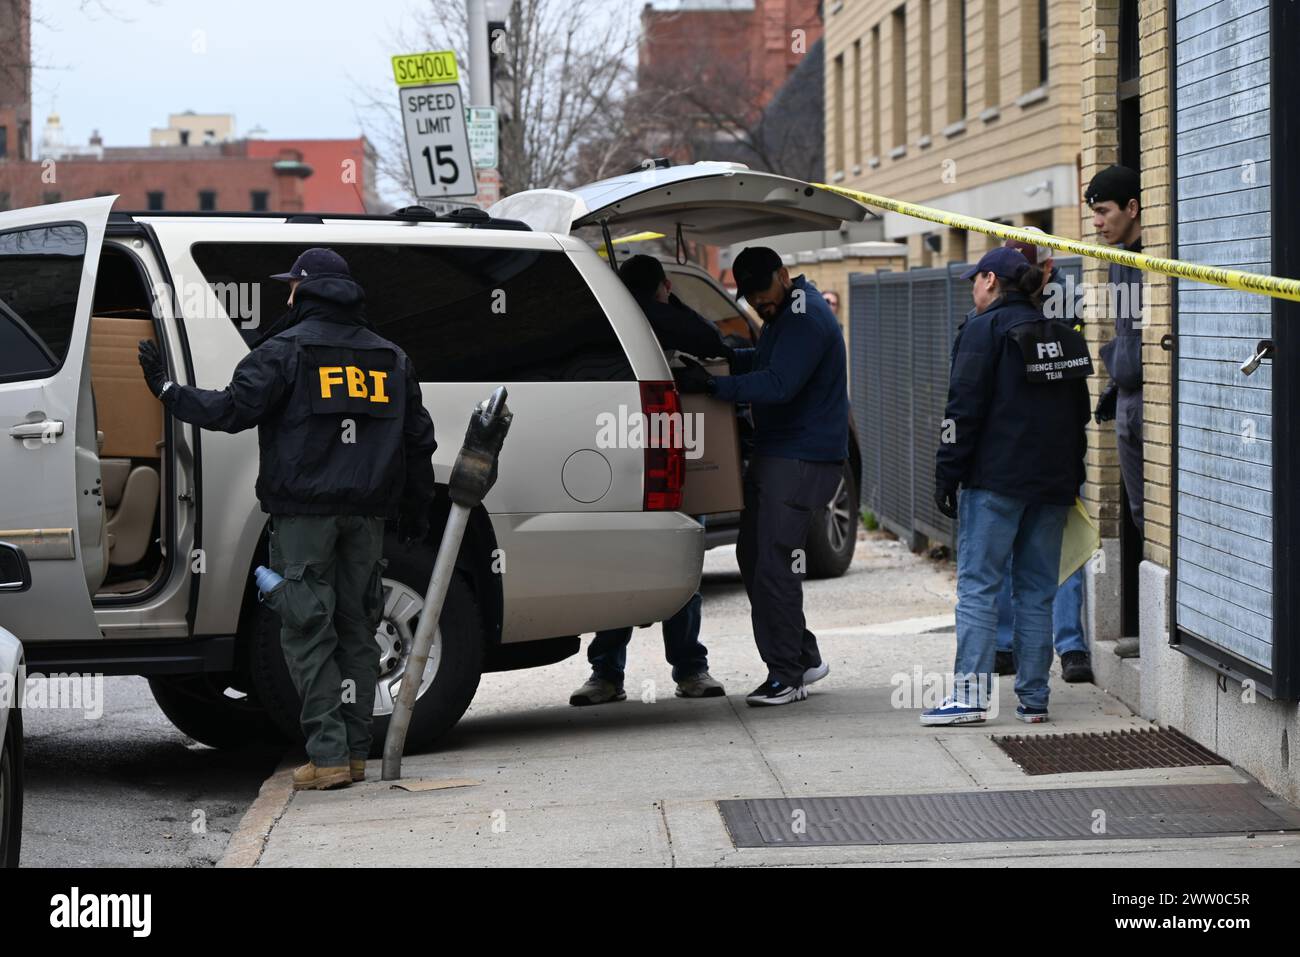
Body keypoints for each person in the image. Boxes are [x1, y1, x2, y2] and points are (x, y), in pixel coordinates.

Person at [137, 247, 437, 790]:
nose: (286, 293)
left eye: (291, 286)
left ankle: (327, 758)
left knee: (305, 629)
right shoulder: (391, 356)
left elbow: (230, 411)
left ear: (305, 290)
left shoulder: (284, 351)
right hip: (366, 518)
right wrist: (416, 507)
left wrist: (166, 390)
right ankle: (353, 753)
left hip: (304, 517)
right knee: (358, 631)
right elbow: (419, 440)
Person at [675, 246, 849, 707]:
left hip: (799, 458)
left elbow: (779, 384)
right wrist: (728, 360)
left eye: (765, 295)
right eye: (751, 299)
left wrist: (716, 386)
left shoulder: (806, 317)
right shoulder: (788, 313)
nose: (760, 305)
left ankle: (787, 674)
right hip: (785, 454)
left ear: (784, 275)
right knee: (754, 553)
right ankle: (804, 657)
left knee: (773, 563)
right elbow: (770, 360)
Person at [926, 247, 1091, 726]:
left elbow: (962, 411)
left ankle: (970, 698)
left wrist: (947, 474)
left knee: (979, 588)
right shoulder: (1062, 336)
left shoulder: (983, 332)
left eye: (975, 280)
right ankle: (1034, 701)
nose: (973, 290)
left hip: (996, 483)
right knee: (1037, 592)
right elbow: (1078, 415)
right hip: (1053, 485)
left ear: (992, 280)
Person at [569, 255, 730, 705]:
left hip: (617, 464)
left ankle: (605, 674)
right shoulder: (665, 320)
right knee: (683, 571)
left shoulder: (603, 324)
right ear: (661, 286)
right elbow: (712, 340)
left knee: (618, 569)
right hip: (667, 464)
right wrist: (670, 302)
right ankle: (690, 670)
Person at [993, 230, 1093, 685]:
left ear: (1049, 268)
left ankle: (1069, 645)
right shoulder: (992, 313)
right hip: (1012, 454)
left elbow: (1075, 394)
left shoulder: (1068, 308)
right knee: (1006, 553)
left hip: (1051, 455)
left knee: (1060, 554)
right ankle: (1004, 645)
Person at [1086, 164, 1144, 659]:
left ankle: (1156, 630)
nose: (1097, 224)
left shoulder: (1153, 259)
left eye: (1104, 212)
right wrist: (1113, 381)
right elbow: (1125, 334)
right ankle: (1144, 631)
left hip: (1151, 400)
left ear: (1133, 208)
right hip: (1127, 397)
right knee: (1138, 510)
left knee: (1153, 512)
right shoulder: (1117, 260)